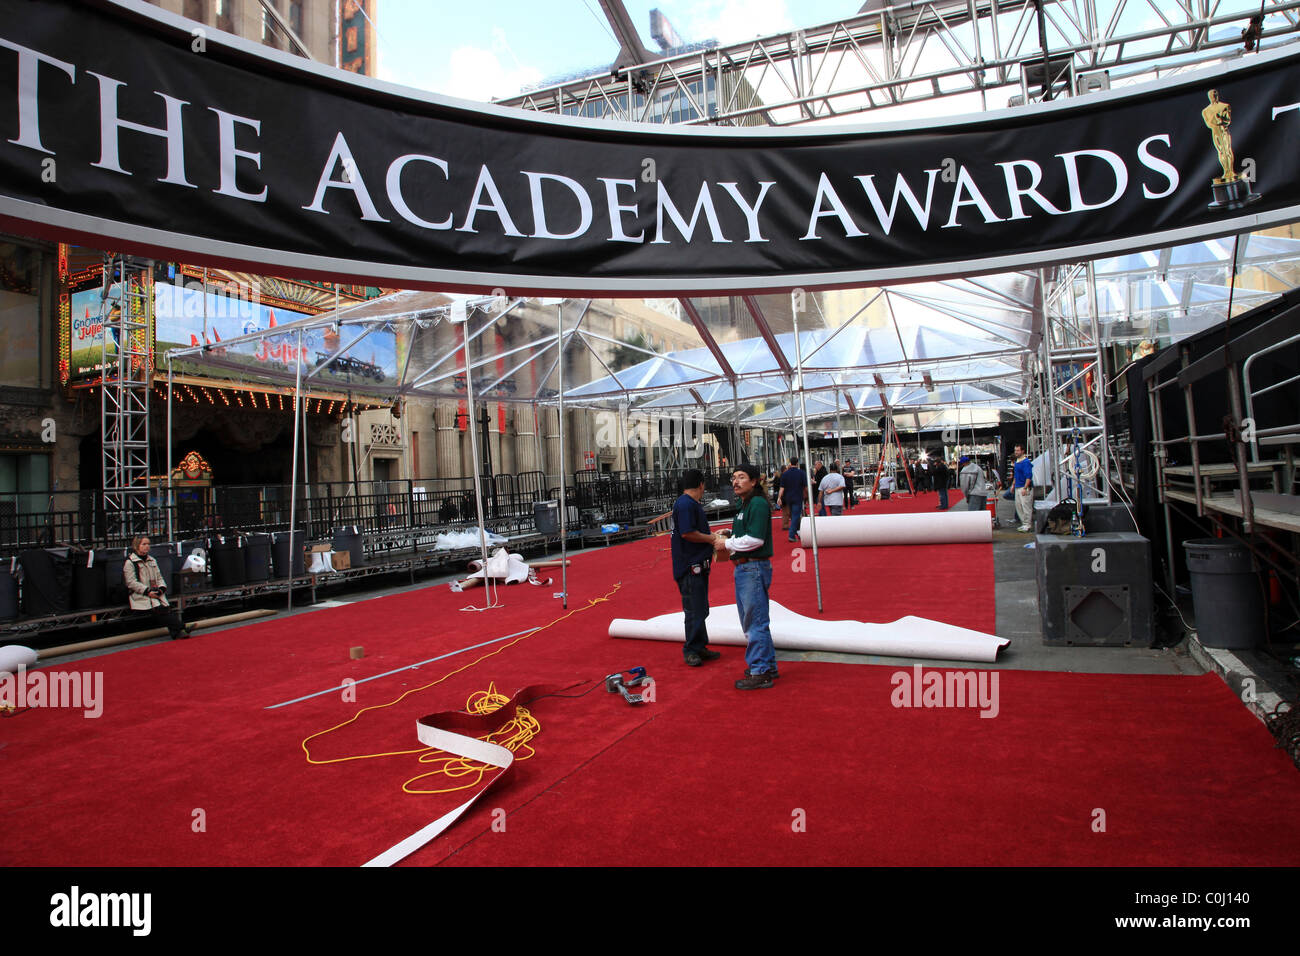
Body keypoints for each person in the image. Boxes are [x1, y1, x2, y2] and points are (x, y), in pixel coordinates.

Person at [717, 464, 777, 690]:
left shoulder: (758, 504)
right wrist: (730, 535)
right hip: (745, 568)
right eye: (734, 478)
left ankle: (760, 670)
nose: (735, 481)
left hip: (752, 568)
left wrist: (727, 543)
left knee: (754, 622)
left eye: (741, 477)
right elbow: (748, 535)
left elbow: (756, 539)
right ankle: (767, 665)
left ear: (754, 481)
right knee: (755, 620)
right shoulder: (746, 504)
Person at [670, 469, 722, 667]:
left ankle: (699, 645)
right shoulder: (686, 505)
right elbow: (688, 533)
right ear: (701, 485)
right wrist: (711, 538)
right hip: (690, 566)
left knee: (700, 608)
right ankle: (691, 649)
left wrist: (711, 536)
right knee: (694, 610)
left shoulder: (688, 504)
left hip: (696, 564)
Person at [124, 536, 189, 640]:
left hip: (154, 593)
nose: (147, 547)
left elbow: (159, 577)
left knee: (164, 609)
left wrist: (161, 589)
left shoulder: (152, 560)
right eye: (144, 544)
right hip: (141, 595)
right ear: (137, 546)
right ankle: (182, 627)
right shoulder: (130, 562)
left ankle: (178, 632)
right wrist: (147, 591)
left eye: (148, 544)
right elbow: (131, 582)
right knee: (161, 610)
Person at [777, 456, 807, 543]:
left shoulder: (785, 474)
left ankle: (796, 532)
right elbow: (805, 487)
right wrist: (807, 496)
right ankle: (791, 534)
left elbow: (781, 488)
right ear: (797, 463)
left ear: (790, 462)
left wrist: (779, 498)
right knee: (795, 516)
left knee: (792, 515)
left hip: (788, 497)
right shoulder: (801, 473)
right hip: (798, 496)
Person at [1012, 444, 1034, 532]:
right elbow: (1016, 475)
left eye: (1017, 450)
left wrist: (1025, 487)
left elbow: (1028, 476)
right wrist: (1013, 485)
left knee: (1026, 506)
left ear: (1022, 451)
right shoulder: (1017, 461)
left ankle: (1027, 524)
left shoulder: (1026, 462)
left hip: (1024, 487)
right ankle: (1024, 523)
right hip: (1018, 486)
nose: (1016, 452)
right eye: (1015, 450)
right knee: (1019, 506)